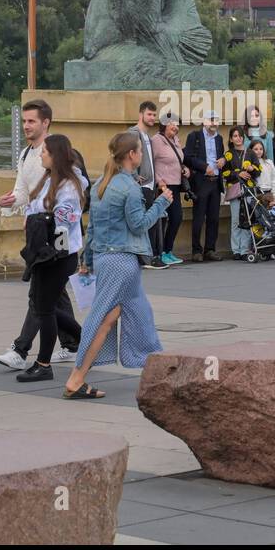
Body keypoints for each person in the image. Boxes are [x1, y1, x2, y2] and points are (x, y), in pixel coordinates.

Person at [64, 133, 172, 399]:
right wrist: (162, 202)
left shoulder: (102, 183)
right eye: (140, 151)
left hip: (105, 258)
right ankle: (76, 379)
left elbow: (93, 229)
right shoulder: (130, 188)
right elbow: (139, 224)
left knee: (138, 313)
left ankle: (157, 369)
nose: (142, 155)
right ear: (132, 155)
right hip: (122, 261)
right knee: (103, 319)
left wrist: (88, 261)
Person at [0, 100, 79, 369]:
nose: (26, 126)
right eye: (24, 121)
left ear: (46, 123)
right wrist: (10, 200)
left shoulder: (61, 151)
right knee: (53, 296)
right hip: (39, 235)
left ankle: (21, 350)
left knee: (40, 295)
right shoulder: (25, 155)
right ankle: (76, 341)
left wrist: (48, 224)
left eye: (31, 121)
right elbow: (24, 191)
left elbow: (76, 193)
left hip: (54, 239)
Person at [14, 134, 89, 383]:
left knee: (44, 308)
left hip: (56, 256)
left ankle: (43, 364)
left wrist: (53, 252)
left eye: (45, 151)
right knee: (43, 305)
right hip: (45, 253)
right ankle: (82, 337)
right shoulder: (49, 180)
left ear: (55, 155)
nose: (41, 154)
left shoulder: (68, 186)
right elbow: (38, 209)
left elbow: (65, 224)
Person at [130, 100, 167, 270]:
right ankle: (147, 258)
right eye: (149, 114)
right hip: (141, 186)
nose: (152, 118)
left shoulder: (147, 137)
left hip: (151, 186)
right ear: (141, 115)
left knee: (152, 220)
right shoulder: (133, 133)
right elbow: (125, 155)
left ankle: (152, 256)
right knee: (146, 222)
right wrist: (134, 175)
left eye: (154, 115)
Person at [184, 111, 225, 262]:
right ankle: (196, 250)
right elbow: (188, 157)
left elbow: (221, 156)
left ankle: (210, 249)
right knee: (199, 218)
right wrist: (203, 166)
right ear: (204, 122)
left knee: (214, 218)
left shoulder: (219, 138)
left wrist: (222, 161)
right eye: (211, 120)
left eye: (216, 120)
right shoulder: (194, 136)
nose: (214, 123)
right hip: (201, 181)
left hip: (215, 182)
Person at [152, 113, 189, 265]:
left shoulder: (176, 140)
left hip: (176, 184)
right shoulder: (156, 140)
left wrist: (185, 169)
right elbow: (150, 163)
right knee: (164, 219)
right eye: (172, 123)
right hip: (163, 186)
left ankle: (168, 250)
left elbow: (178, 160)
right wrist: (159, 181)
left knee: (177, 217)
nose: (176, 127)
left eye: (177, 124)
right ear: (164, 124)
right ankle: (160, 253)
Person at [223, 126, 253, 261]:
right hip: (235, 191)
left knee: (247, 220)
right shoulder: (228, 154)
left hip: (248, 191)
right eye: (235, 136)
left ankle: (244, 249)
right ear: (231, 138)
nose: (238, 138)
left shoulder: (250, 153)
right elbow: (224, 173)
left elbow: (258, 171)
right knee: (236, 220)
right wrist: (238, 173)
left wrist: (252, 169)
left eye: (240, 135)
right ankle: (236, 249)